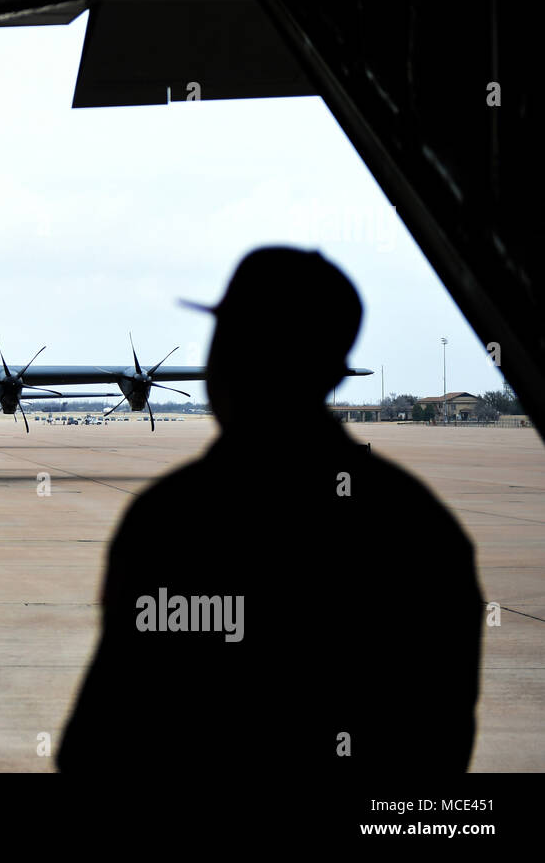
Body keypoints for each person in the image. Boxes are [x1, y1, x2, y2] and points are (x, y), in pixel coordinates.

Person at [59, 247, 484, 775]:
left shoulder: (171, 521)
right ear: (335, 370)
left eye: (233, 338)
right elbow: (440, 745)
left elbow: (95, 744)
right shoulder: (421, 529)